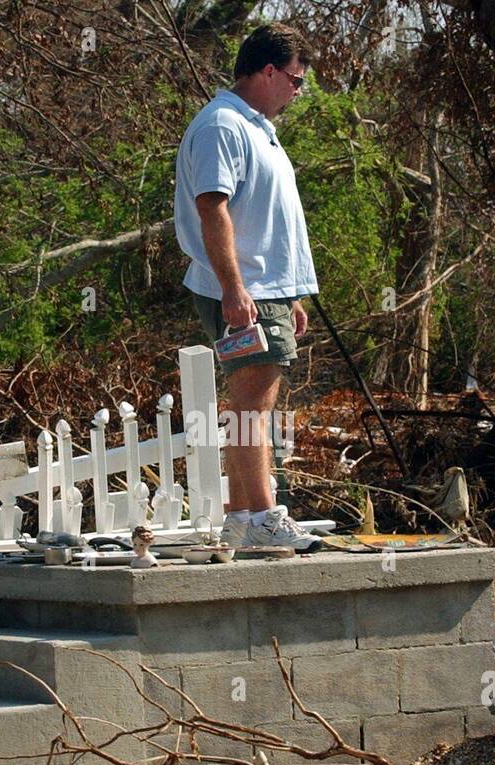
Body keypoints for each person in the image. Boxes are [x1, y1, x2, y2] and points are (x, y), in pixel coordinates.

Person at [173, 22, 322, 553]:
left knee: (252, 399)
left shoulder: (256, 126)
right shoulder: (222, 125)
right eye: (296, 80)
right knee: (251, 403)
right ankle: (263, 514)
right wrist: (235, 287)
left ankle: (240, 514)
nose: (298, 91)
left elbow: (263, 215)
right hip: (243, 288)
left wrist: (292, 293)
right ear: (267, 71)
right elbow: (212, 205)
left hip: (268, 287)